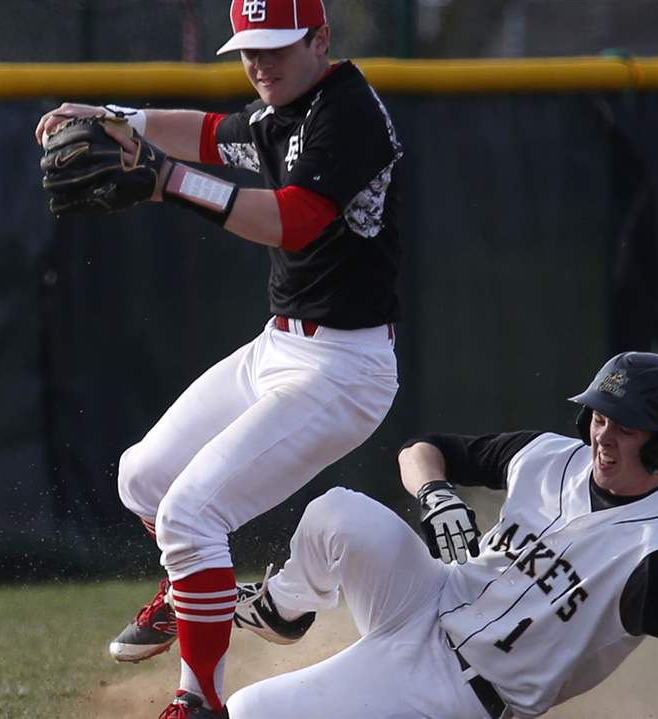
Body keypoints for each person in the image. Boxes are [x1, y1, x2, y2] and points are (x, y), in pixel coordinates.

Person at [34, 1, 403, 717]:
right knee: (142, 478)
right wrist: (120, 119)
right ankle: (191, 590)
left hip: (346, 369)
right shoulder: (282, 108)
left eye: (276, 46)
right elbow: (209, 132)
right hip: (282, 344)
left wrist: (167, 180)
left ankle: (198, 700)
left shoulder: (345, 113)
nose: (259, 63)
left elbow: (292, 219)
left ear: (321, 39)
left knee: (192, 513)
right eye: (248, 49)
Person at [224, 351, 658, 719]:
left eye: (626, 426)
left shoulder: (657, 558)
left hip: (453, 688)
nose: (604, 435)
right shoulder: (548, 456)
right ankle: (283, 609)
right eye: (600, 417)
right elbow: (422, 449)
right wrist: (436, 494)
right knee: (337, 511)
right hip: (426, 596)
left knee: (249, 711)